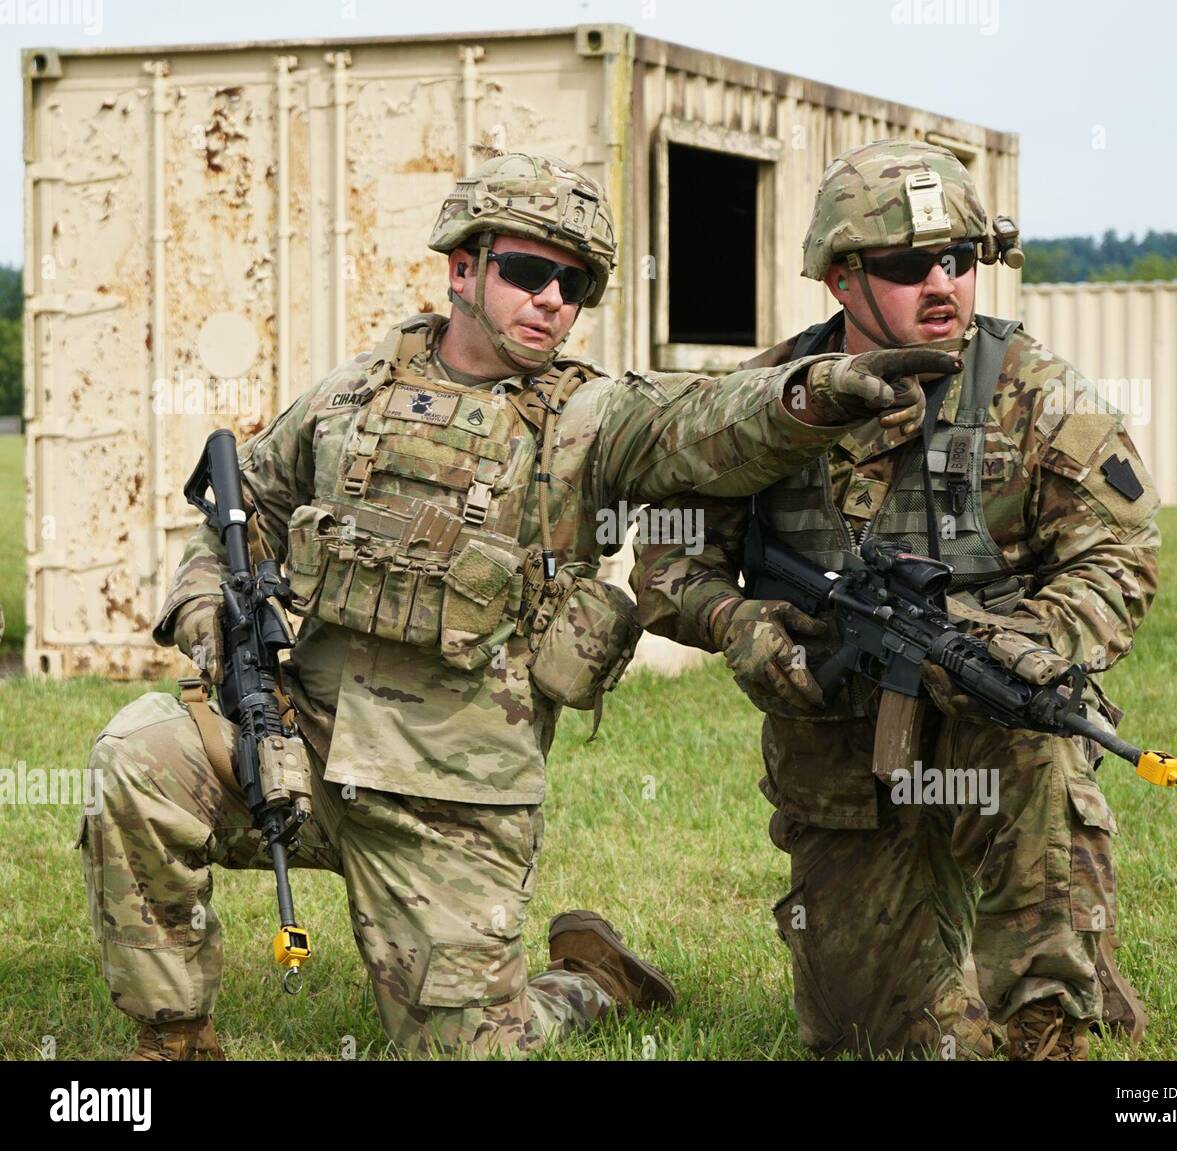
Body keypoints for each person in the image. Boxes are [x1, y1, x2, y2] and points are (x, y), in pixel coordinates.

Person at [78, 151, 958, 1060]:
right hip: (303, 743)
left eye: (572, 283)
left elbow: (707, 423)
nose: (551, 299)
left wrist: (811, 396)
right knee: (137, 756)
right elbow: (239, 512)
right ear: (463, 268)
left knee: (476, 1048)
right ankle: (175, 1035)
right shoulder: (348, 400)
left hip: (456, 804)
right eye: (527, 270)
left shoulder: (591, 421)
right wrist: (204, 615)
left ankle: (588, 984)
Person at [633, 140, 1160, 1060]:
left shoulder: (1031, 391)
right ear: (841, 279)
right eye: (910, 266)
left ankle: (1052, 1000)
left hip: (988, 726)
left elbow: (1119, 557)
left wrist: (1021, 639)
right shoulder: (763, 403)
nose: (943, 284)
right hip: (840, 748)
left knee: (1041, 749)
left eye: (959, 259)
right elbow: (669, 559)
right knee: (870, 1038)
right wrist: (738, 623)